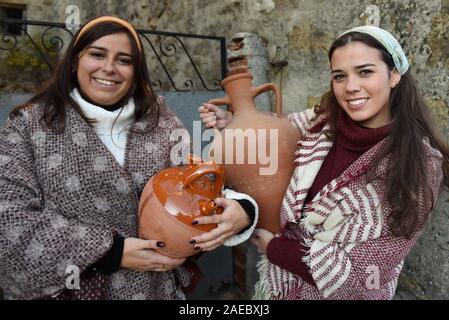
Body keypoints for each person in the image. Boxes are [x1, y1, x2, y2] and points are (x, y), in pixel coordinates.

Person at [0, 16, 258, 300]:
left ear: (136, 71)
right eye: (97, 54)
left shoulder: (161, 122)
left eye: (124, 60)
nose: (108, 68)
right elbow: (9, 218)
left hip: (156, 291)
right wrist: (113, 252)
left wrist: (242, 211)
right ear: (75, 60)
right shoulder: (29, 126)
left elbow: (196, 185)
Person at [199, 25, 449, 300]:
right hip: (279, 286)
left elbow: (359, 276)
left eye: (365, 71)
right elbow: (276, 127)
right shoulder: (322, 123)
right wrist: (233, 122)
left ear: (393, 75)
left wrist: (274, 248)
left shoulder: (418, 164)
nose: (351, 87)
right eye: (339, 76)